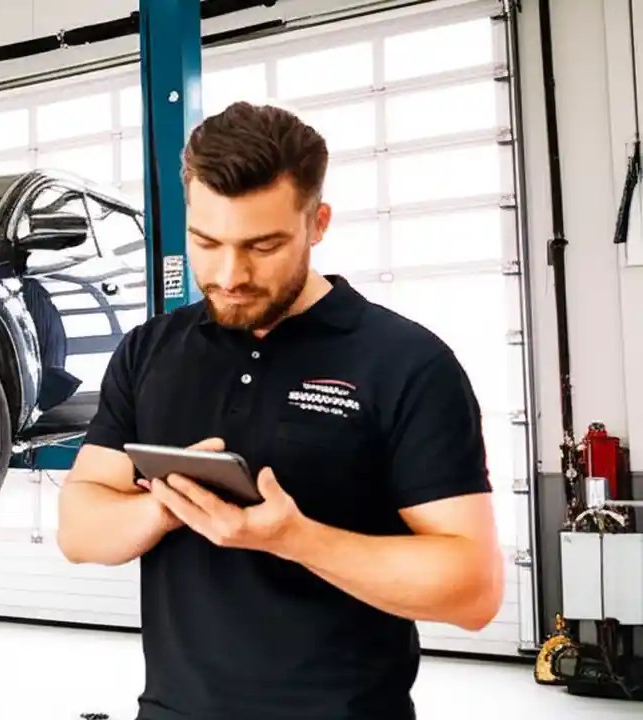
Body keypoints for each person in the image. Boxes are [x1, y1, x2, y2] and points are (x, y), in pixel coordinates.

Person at [56, 101, 505, 720]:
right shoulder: (148, 352)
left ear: (317, 223)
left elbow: (474, 590)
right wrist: (172, 503)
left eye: (262, 246)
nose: (230, 274)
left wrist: (296, 539)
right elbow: (79, 532)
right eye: (206, 242)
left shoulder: (407, 363)